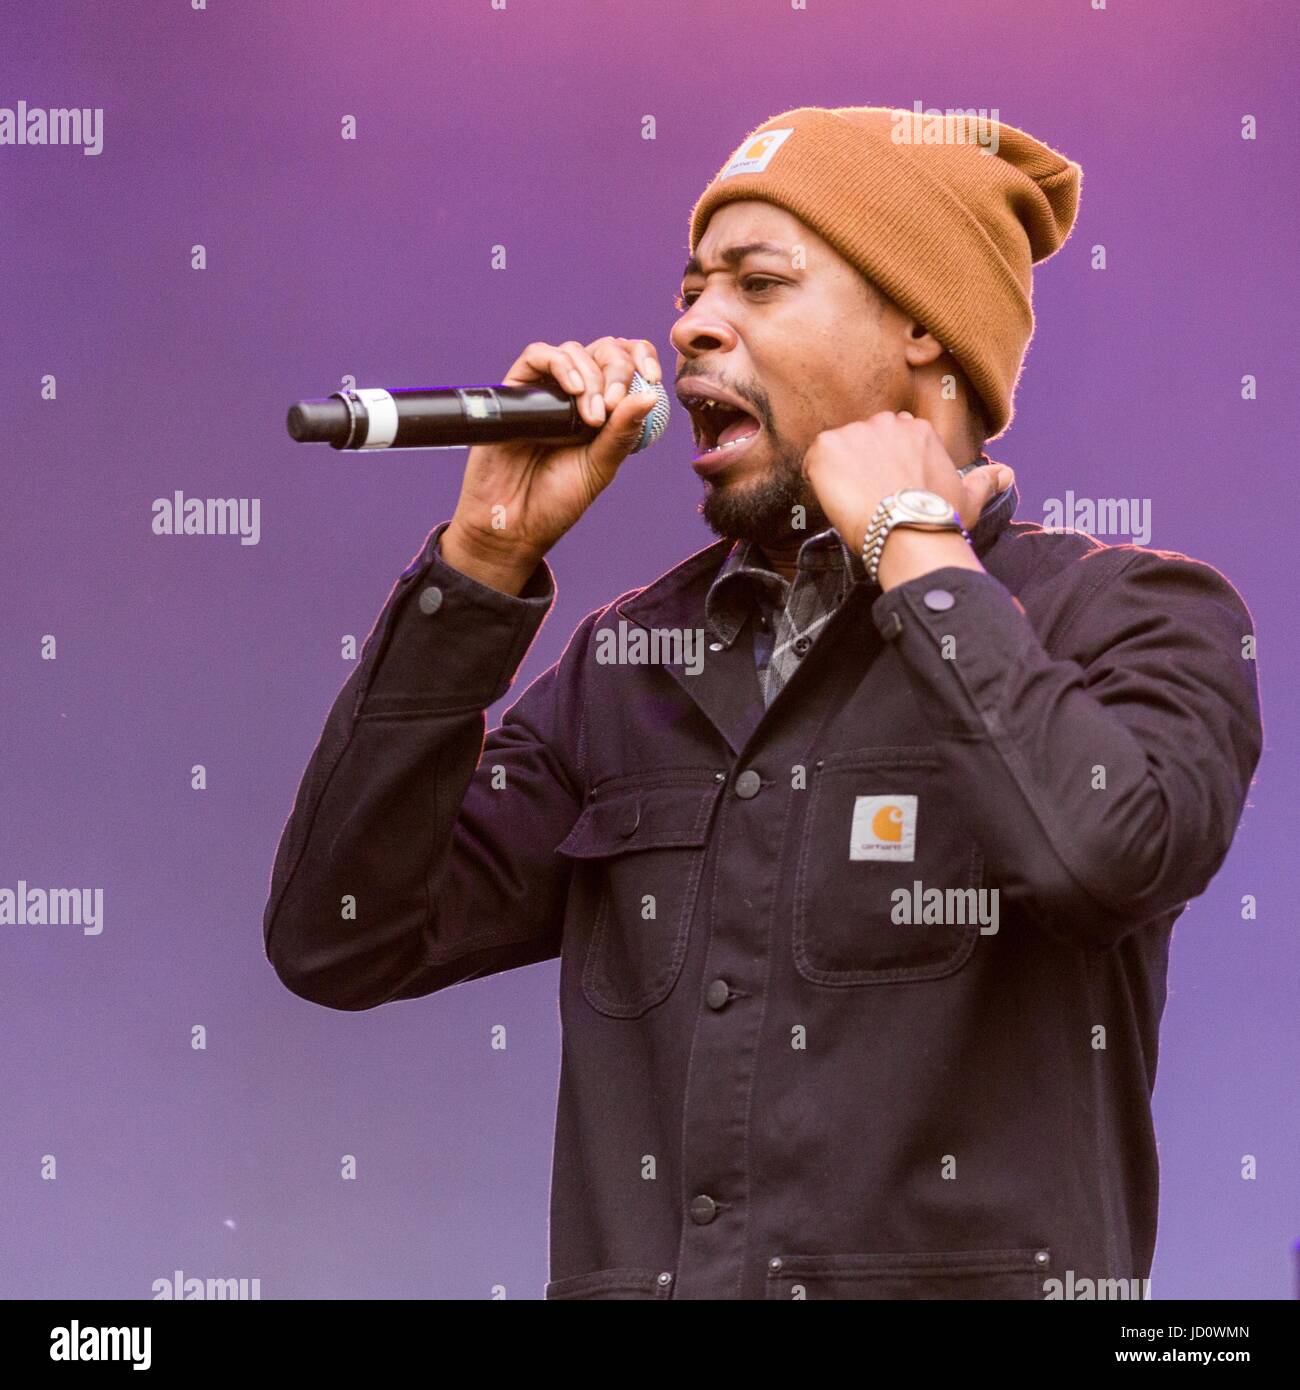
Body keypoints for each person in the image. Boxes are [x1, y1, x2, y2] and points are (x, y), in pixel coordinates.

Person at [263, 105, 1263, 1300]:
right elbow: (342, 932)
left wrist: (913, 543)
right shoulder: (631, 659)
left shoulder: (1133, 614)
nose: (689, 323)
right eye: (690, 287)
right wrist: (480, 562)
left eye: (758, 283)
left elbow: (1102, 856)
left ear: (922, 333)